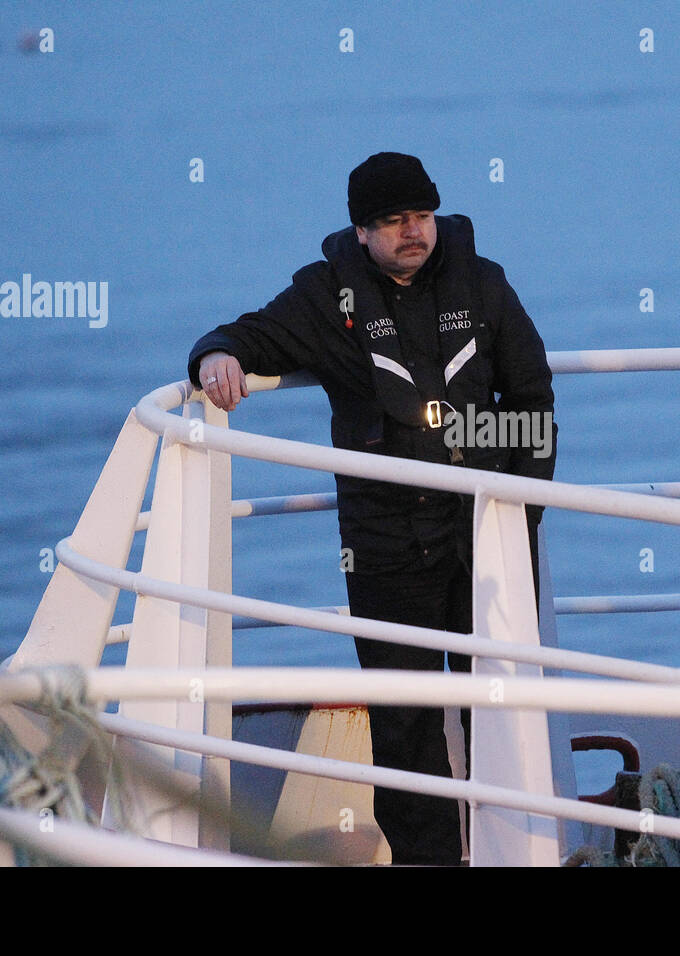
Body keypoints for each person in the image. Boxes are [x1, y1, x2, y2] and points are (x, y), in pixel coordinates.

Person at [187, 152, 556, 865]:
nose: (411, 233)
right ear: (361, 232)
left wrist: (518, 516)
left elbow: (534, 403)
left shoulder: (483, 283)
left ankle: (518, 853)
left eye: (419, 216)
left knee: (507, 712)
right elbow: (248, 335)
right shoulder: (328, 297)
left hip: (486, 532)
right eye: (391, 223)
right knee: (404, 726)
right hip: (385, 544)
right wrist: (213, 357)